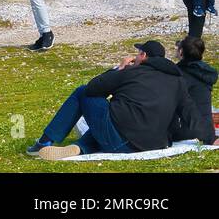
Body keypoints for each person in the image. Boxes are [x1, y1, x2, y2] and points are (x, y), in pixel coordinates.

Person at [27, 40, 193, 159]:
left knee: (82, 92)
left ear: (143, 55)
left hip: (123, 142)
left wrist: (119, 69)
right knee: (112, 123)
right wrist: (209, 138)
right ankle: (80, 147)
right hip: (155, 144)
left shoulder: (132, 72)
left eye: (138, 53)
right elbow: (189, 112)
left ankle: (44, 142)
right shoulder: (177, 80)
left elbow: (94, 88)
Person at [173, 36, 217, 145]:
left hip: (187, 131)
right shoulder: (205, 72)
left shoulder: (178, 74)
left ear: (181, 51)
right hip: (207, 130)